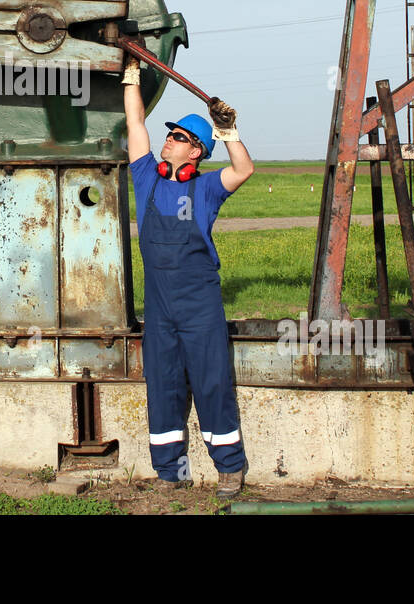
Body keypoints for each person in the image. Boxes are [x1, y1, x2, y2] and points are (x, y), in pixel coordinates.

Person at [122, 56, 256, 498]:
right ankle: (169, 473)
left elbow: (244, 170)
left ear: (195, 150)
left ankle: (230, 469)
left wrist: (230, 133)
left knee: (213, 383)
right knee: (163, 386)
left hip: (200, 307)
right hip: (159, 309)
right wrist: (131, 74)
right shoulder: (146, 178)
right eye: (170, 134)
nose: (168, 140)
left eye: (178, 137)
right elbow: (135, 121)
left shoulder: (207, 187)